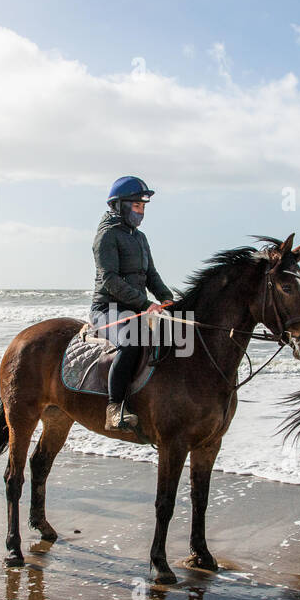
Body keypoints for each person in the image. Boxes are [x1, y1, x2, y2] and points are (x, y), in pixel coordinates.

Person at [90, 176, 174, 432]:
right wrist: (145, 303)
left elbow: (151, 275)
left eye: (143, 207)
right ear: (119, 205)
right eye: (137, 206)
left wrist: (166, 298)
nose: (141, 212)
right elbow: (110, 280)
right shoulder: (106, 236)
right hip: (107, 309)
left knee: (177, 338)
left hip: (135, 309)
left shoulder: (140, 238)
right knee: (131, 342)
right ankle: (114, 408)